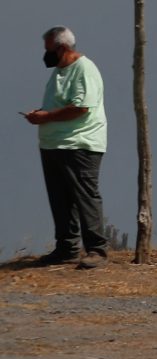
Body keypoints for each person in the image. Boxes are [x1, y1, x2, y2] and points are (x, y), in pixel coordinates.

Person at [22, 26, 109, 268]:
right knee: (60, 199)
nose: (45, 55)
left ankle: (97, 250)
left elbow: (81, 107)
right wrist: (41, 115)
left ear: (61, 48)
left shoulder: (84, 69)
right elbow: (58, 105)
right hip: (54, 144)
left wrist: (46, 116)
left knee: (84, 196)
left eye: (48, 50)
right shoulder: (59, 71)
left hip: (79, 144)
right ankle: (66, 249)